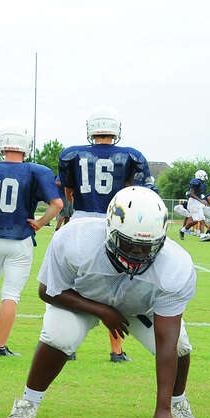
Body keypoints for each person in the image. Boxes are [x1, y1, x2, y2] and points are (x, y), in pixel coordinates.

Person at [2, 185, 204, 418]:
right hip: (80, 298)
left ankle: (177, 403)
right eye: (129, 245)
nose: (138, 255)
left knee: (179, 346)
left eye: (147, 247)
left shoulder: (175, 265)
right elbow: (48, 292)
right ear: (109, 228)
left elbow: (166, 342)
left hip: (141, 306)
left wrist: (162, 410)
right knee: (59, 337)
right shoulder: (75, 239)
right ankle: (28, 402)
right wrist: (102, 311)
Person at [57, 107, 153, 361]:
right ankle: (116, 351)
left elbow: (68, 192)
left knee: (70, 286)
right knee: (115, 287)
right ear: (115, 132)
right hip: (115, 225)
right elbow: (137, 194)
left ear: (91, 131)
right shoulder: (131, 156)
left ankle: (67, 345)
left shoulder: (72, 154)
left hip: (80, 222)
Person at [0, 130, 63, 357]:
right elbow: (57, 204)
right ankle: (0, 346)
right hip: (19, 240)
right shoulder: (36, 171)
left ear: (2, 147)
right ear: (26, 149)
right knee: (11, 295)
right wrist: (40, 222)